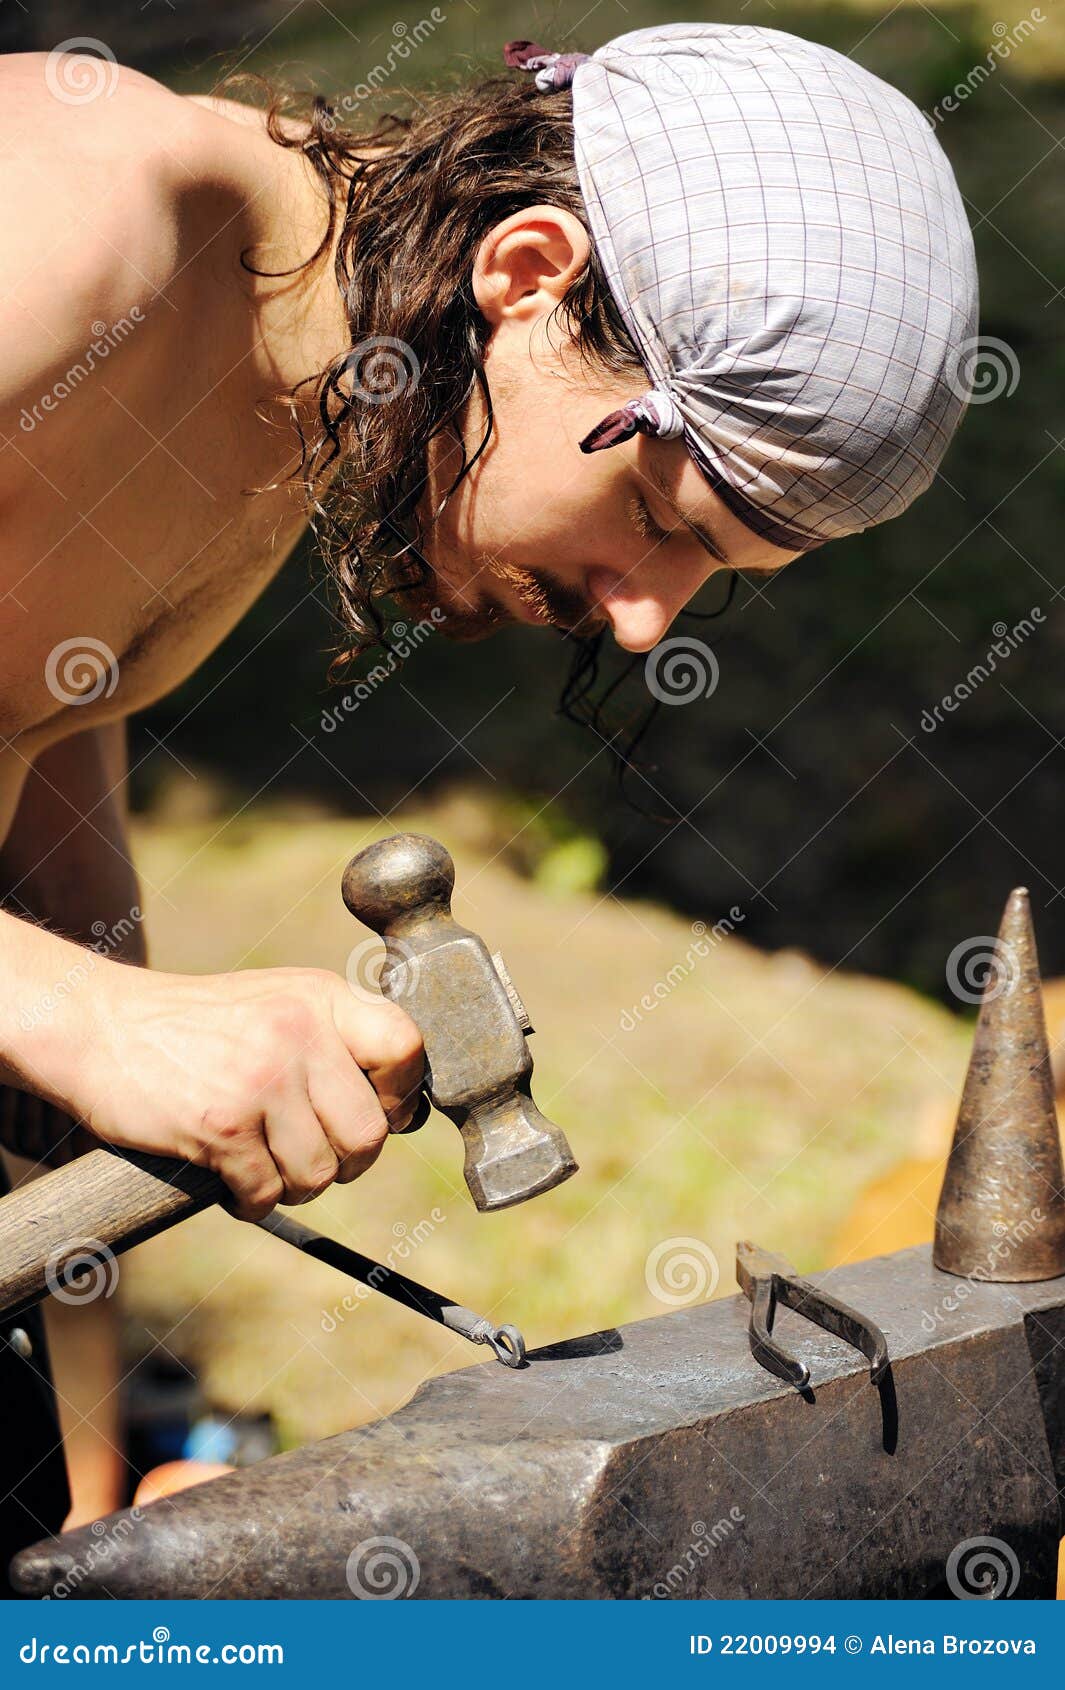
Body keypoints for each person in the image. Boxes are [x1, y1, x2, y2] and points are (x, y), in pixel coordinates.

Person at [0, 22, 977, 1576]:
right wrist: (90, 1023)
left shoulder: (286, 390)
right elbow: (69, 1014)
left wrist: (80, 1483)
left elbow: (41, 829)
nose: (647, 615)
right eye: (655, 513)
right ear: (526, 273)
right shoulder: (71, 217)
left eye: (710, 570)